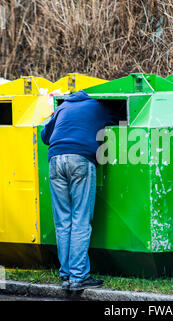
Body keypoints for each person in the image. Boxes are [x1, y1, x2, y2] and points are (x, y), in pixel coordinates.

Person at [41, 90, 119, 291]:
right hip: (80, 160)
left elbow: (44, 136)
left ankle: (66, 275)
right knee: (80, 220)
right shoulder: (98, 105)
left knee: (63, 221)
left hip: (55, 160)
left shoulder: (62, 106)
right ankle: (78, 277)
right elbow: (121, 117)